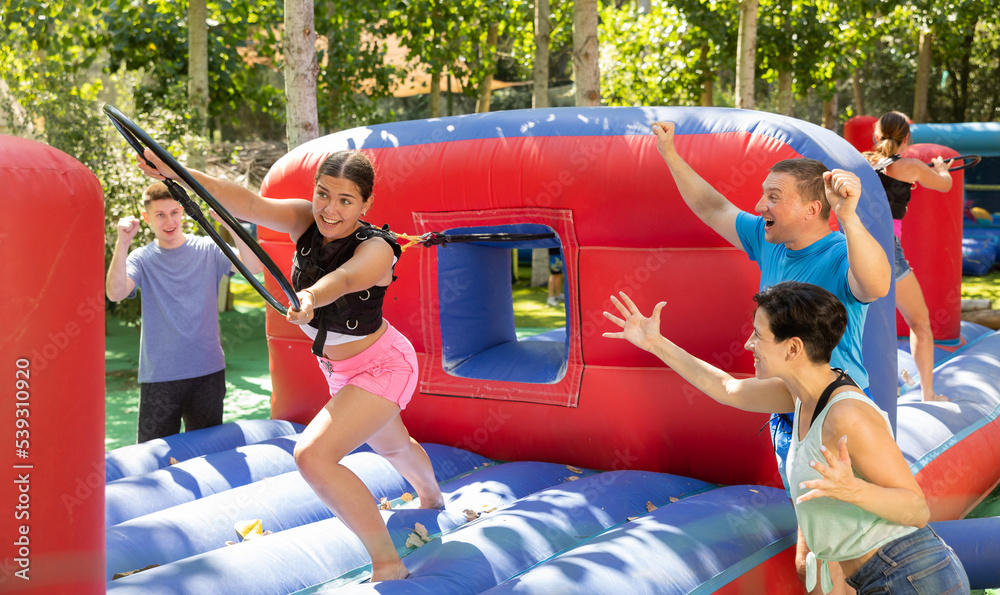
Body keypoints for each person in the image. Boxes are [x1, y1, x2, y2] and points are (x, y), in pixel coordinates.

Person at [135, 148, 444, 582]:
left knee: (313, 455)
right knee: (392, 446)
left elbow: (349, 279)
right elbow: (244, 203)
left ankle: (389, 564)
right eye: (323, 194)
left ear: (366, 205)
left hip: (384, 365)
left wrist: (312, 296)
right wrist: (177, 173)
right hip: (341, 371)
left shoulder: (377, 248)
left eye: (345, 200)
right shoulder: (305, 219)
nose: (329, 209)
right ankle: (431, 496)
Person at [603, 282, 969, 595]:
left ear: (792, 348)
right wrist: (656, 344)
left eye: (758, 335)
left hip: (913, 574)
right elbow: (727, 388)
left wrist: (853, 490)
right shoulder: (797, 394)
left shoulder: (846, 416)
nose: (748, 344)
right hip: (880, 576)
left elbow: (917, 510)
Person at [652, 120, 891, 594]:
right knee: (818, 564)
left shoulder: (842, 254)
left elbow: (878, 286)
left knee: (829, 563)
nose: (760, 206)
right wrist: (670, 155)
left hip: (831, 418)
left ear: (812, 208)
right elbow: (713, 206)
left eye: (773, 197)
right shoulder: (770, 239)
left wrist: (852, 216)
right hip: (792, 416)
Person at [106, 181, 265, 442]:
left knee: (205, 456)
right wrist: (122, 243)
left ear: (182, 211)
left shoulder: (209, 249)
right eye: (160, 215)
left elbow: (255, 267)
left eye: (174, 212)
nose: (169, 221)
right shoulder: (141, 258)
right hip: (160, 376)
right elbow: (115, 293)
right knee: (154, 455)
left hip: (208, 373)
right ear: (147, 218)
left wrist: (230, 225)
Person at [865, 111, 953, 402]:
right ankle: (928, 393)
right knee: (920, 323)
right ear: (906, 139)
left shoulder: (862, 161)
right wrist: (941, 168)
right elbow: (945, 185)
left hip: (854, 247)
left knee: (862, 324)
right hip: (887, 252)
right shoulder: (911, 166)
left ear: (877, 136)